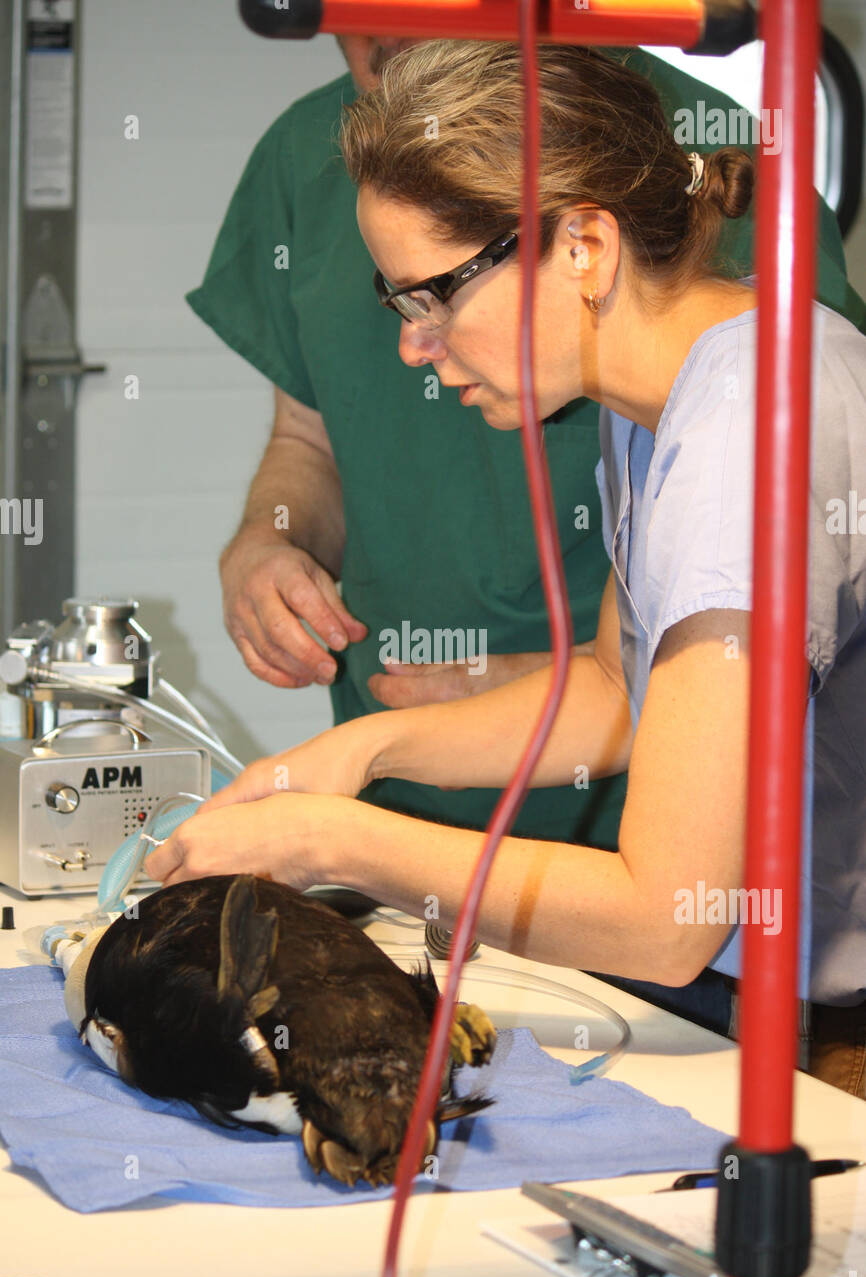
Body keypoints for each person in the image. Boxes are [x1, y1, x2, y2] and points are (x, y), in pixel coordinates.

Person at [151, 40, 866, 1096]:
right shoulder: (666, 389)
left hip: (828, 1032)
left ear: (582, 245)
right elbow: (616, 688)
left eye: (430, 295)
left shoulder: (742, 438)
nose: (413, 346)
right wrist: (360, 751)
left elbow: (667, 916)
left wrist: (330, 840)